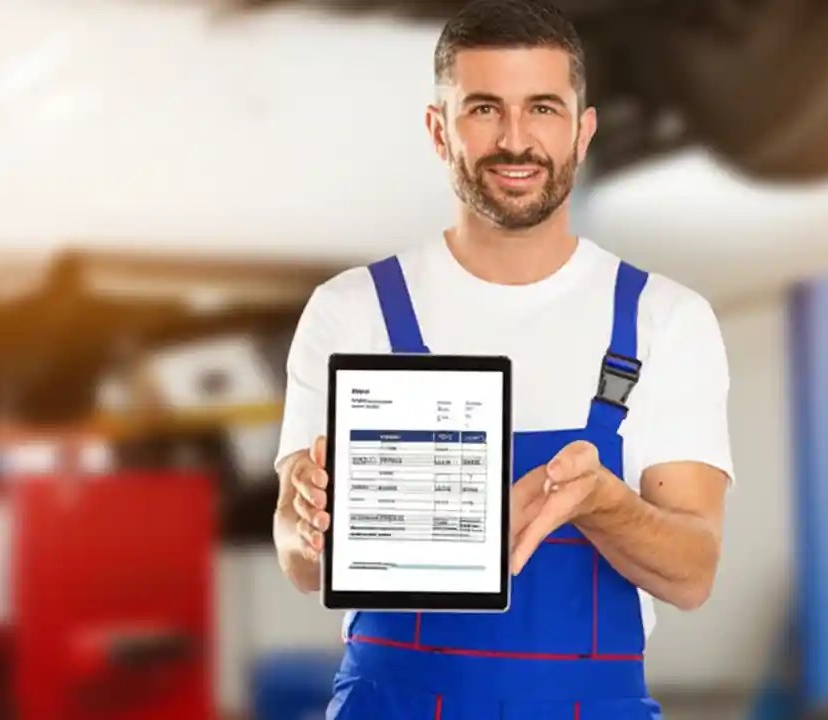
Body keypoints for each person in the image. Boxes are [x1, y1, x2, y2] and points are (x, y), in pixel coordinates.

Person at [272, 1, 733, 717]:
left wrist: (603, 502)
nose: (516, 141)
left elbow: (693, 573)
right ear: (438, 130)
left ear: (582, 133)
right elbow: (299, 561)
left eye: (543, 109)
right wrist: (305, 522)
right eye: (484, 109)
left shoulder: (663, 321)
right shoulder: (350, 311)